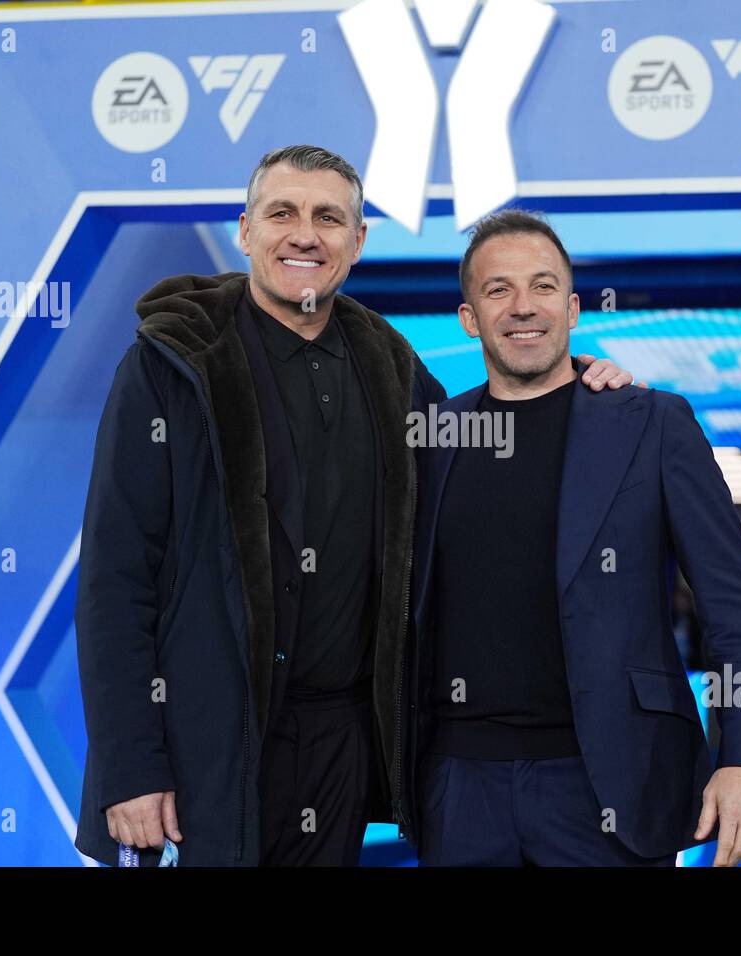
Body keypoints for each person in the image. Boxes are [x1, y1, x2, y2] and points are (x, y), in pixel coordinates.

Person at [72, 145, 634, 866]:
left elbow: (499, 443)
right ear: (246, 231)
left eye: (329, 218)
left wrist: (579, 384)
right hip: (201, 745)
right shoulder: (169, 367)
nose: (305, 234)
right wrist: (132, 767)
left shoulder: (393, 371)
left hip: (339, 748)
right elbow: (115, 582)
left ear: (358, 241)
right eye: (283, 213)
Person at [401, 210, 741, 866]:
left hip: (610, 785)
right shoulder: (432, 436)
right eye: (499, 290)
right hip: (460, 790)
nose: (525, 307)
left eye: (544, 287)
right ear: (469, 318)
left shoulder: (652, 423)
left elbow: (735, 608)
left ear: (573, 307)